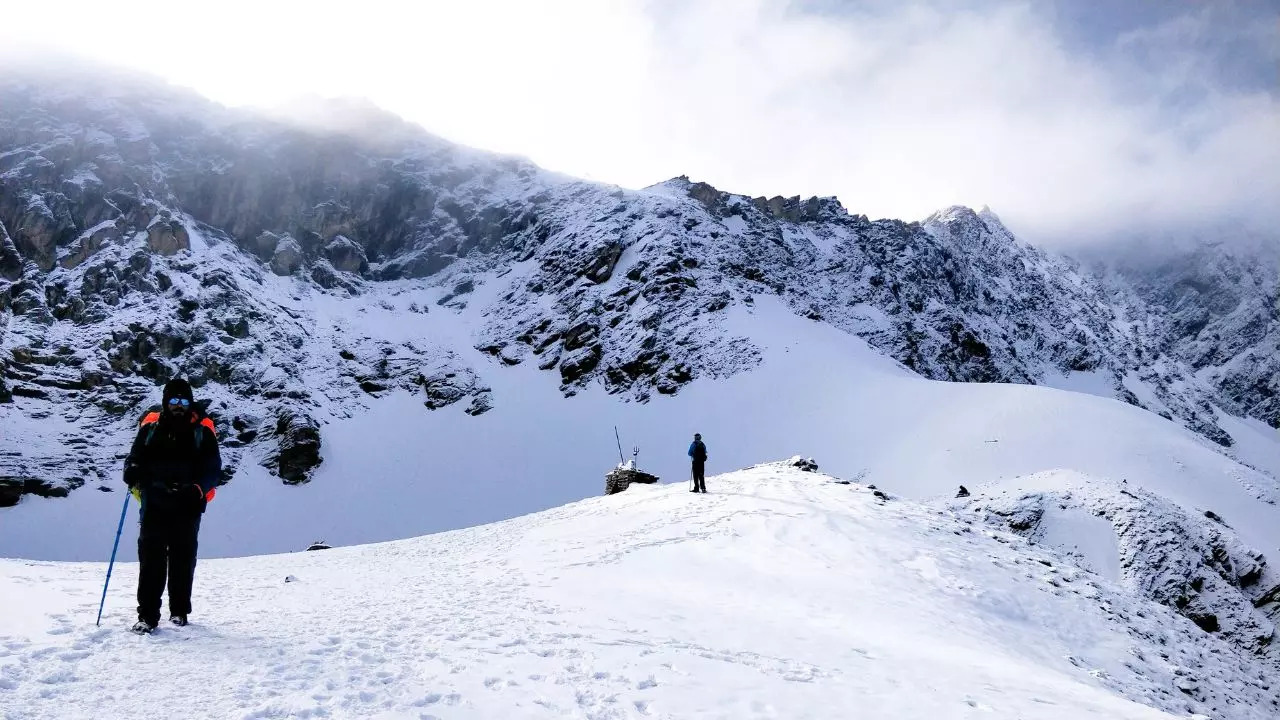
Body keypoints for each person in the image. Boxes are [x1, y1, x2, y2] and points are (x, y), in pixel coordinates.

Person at [123, 378, 221, 633]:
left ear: (190, 402)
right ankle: (147, 616)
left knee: (183, 559)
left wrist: (198, 488)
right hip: (154, 501)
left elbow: (213, 468)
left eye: (184, 401)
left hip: (187, 503)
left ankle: (179, 611)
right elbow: (135, 457)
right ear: (166, 402)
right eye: (174, 401)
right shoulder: (150, 428)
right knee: (151, 559)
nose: (179, 406)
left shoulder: (203, 431)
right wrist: (132, 470)